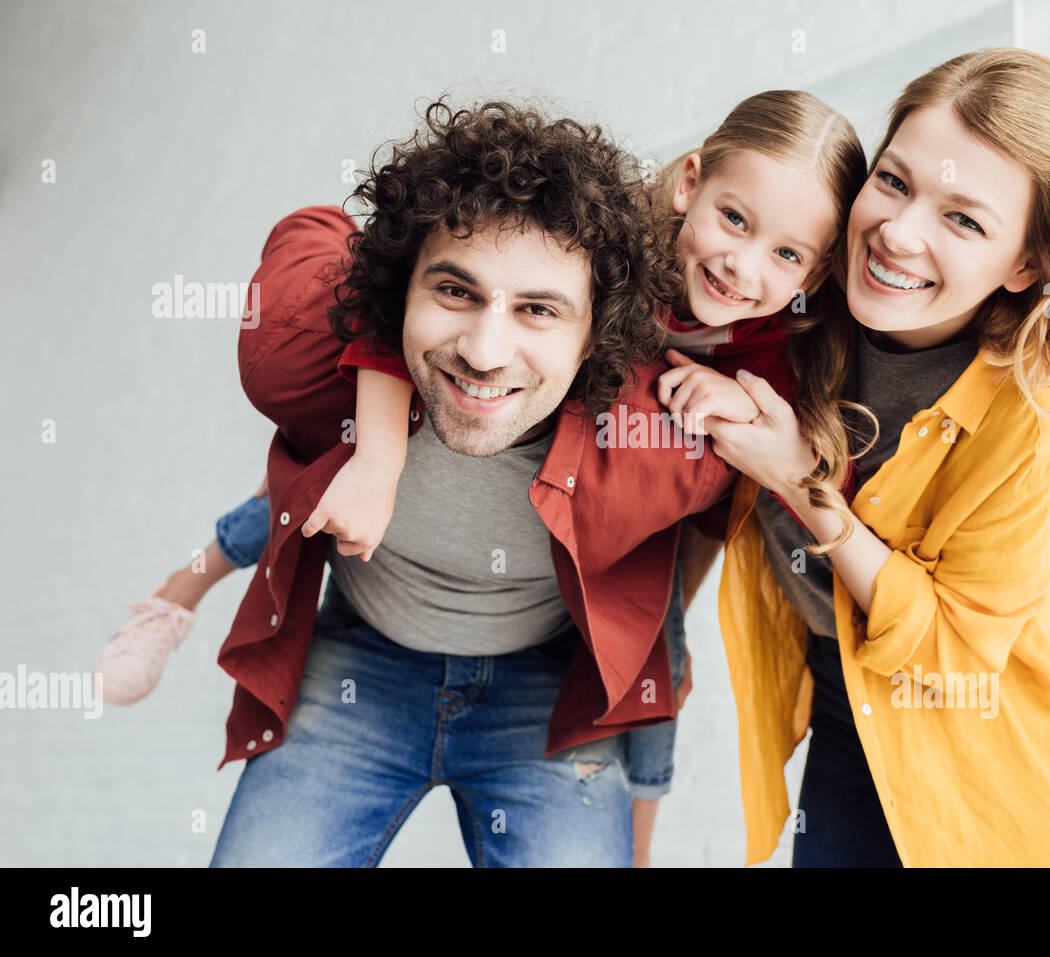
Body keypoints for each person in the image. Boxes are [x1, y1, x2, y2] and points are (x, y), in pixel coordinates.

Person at [207, 98, 737, 867]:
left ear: (598, 332)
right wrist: (380, 451)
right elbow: (312, 231)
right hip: (362, 663)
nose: (485, 352)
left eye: (538, 309)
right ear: (399, 294)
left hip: (545, 695)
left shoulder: (672, 439)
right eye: (456, 291)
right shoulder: (300, 363)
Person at [672, 49, 1050, 866]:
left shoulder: (1031, 414)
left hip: (984, 746)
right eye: (894, 182)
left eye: (964, 219)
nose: (898, 232)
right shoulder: (792, 304)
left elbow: (953, 649)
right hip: (848, 709)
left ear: (1027, 264)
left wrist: (800, 482)